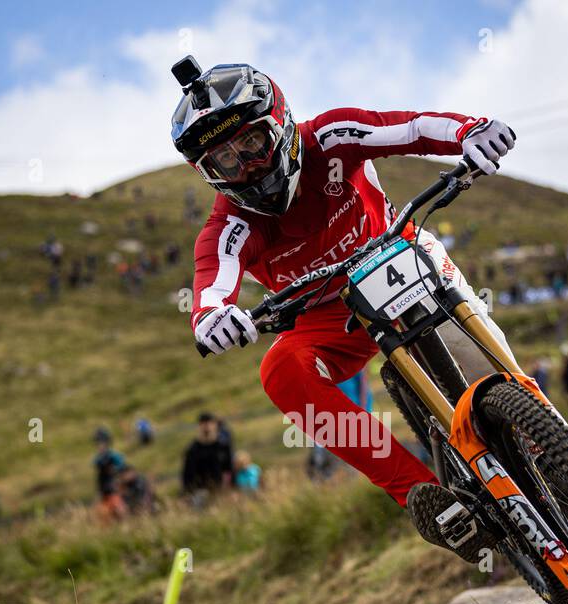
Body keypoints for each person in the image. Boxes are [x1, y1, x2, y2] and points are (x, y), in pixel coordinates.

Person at [173, 57, 516, 561]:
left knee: (492, 370)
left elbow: (413, 129)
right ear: (209, 175)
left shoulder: (331, 137)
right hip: (334, 321)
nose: (247, 165)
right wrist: (213, 318)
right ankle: (428, 497)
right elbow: (210, 288)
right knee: (280, 369)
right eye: (226, 161)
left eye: (252, 143)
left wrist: (471, 131)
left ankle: (547, 447)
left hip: (401, 260)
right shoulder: (229, 225)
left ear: (281, 126)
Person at [182, 412, 234, 506]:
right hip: (199, 492)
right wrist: (187, 493)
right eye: (203, 423)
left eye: (209, 423)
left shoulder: (223, 446)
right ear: (199, 426)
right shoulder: (192, 449)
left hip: (221, 490)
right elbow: (187, 474)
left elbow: (229, 468)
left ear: (215, 425)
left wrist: (230, 488)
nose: (207, 426)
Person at [92, 427, 129, 522]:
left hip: (113, 489)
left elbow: (122, 465)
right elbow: (95, 463)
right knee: (103, 517)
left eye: (101, 442)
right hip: (103, 491)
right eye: (97, 443)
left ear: (106, 443)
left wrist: (114, 470)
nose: (99, 445)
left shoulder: (112, 456)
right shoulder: (98, 458)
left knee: (119, 512)